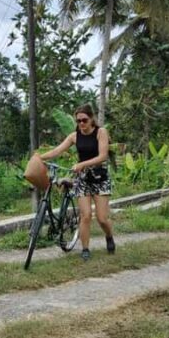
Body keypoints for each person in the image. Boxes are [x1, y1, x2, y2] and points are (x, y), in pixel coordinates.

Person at [37, 104, 115, 260]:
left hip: (100, 178)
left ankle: (109, 236)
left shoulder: (101, 132)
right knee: (85, 215)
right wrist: (39, 157)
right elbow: (57, 150)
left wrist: (82, 164)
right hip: (83, 180)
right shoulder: (74, 136)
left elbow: (102, 156)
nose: (81, 124)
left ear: (91, 118)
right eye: (78, 121)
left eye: (84, 120)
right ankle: (85, 249)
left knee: (102, 218)